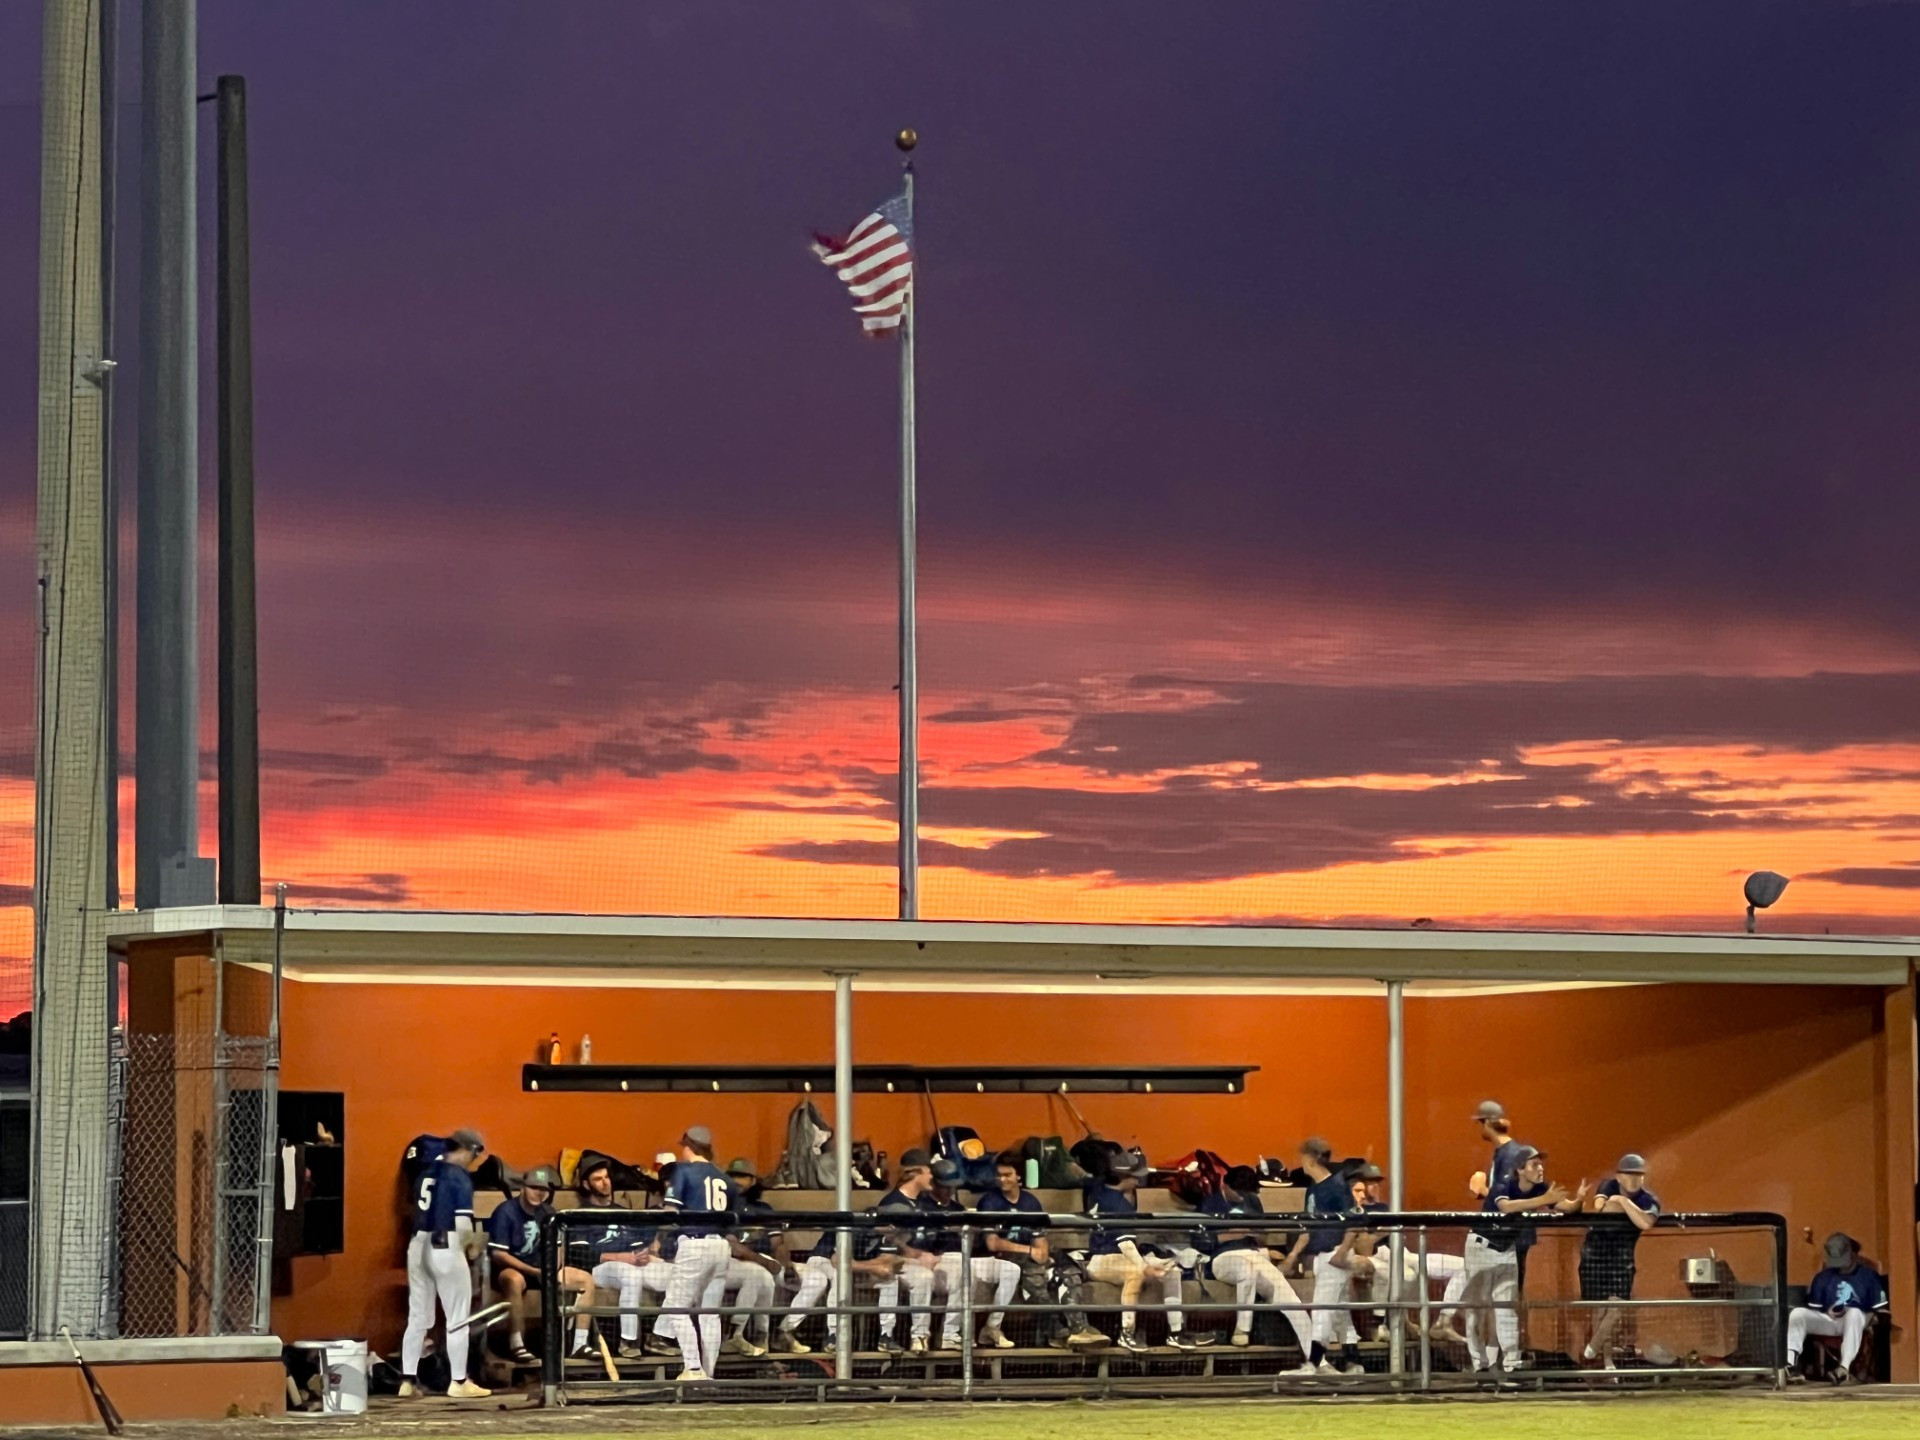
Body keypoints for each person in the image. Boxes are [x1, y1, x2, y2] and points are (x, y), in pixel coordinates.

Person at [1463, 1145, 1586, 1378]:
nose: (1540, 1168)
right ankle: (1480, 1367)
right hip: (1481, 1246)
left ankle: (1511, 1367)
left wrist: (1578, 1199)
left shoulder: (1540, 1188)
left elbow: (1567, 1207)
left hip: (1507, 1249)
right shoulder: (1503, 1183)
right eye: (1534, 1164)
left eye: (1541, 1164)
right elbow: (1505, 1207)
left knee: (1508, 1308)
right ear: (1520, 1169)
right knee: (1477, 1309)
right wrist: (1543, 1199)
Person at [978, 1153, 1108, 1350]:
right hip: (1004, 1257)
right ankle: (1057, 1332)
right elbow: (993, 1243)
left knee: (1068, 1270)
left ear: (1019, 1176)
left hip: (1029, 1253)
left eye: (1007, 1175)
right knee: (1036, 1277)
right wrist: (1031, 1251)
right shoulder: (989, 1202)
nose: (1002, 1179)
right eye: (999, 1175)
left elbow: (1040, 1238)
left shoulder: (1030, 1202)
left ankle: (1080, 1328)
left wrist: (1043, 1254)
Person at [400, 1127, 491, 1399]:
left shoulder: (423, 1174)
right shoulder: (459, 1177)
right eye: (474, 1154)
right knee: (457, 1319)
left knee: (417, 1317)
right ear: (465, 1149)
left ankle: (407, 1381)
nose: (473, 1160)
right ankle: (459, 1381)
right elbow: (463, 1225)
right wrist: (473, 1248)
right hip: (446, 1246)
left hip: (417, 1246)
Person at [1197, 1164, 1314, 1369]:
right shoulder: (1210, 1203)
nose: (1243, 1197)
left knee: (1287, 1293)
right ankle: (1241, 1331)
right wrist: (1238, 1232)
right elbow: (1201, 1242)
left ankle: (1315, 1359)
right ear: (1226, 1185)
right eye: (1239, 1192)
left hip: (1254, 1253)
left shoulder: (1253, 1200)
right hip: (1221, 1258)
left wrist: (1253, 1234)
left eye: (1246, 1193)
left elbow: (1262, 1236)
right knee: (1246, 1271)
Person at [1085, 1154, 1202, 1352]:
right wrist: (1145, 1266)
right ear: (1122, 1178)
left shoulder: (1098, 1187)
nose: (1138, 1180)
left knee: (1173, 1272)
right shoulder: (1116, 1204)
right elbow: (1126, 1245)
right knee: (1136, 1272)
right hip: (1101, 1259)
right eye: (1134, 1176)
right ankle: (1126, 1333)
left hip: (1121, 1257)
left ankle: (1175, 1332)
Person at [652, 1126, 736, 1383]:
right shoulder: (726, 1178)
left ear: (688, 1146)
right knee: (710, 1313)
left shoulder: (683, 1171)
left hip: (695, 1243)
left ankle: (694, 1369)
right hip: (721, 1246)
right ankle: (709, 1373)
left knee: (676, 1307)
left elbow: (670, 1211)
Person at [486, 1165, 592, 1365]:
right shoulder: (506, 1211)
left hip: (544, 1270)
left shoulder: (548, 1212)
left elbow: (559, 1246)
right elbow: (499, 1254)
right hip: (515, 1268)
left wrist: (552, 1269)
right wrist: (533, 1271)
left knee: (585, 1279)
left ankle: (579, 1344)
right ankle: (517, 1344)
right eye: (534, 1187)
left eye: (544, 1189)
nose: (539, 1193)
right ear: (523, 1187)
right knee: (513, 1279)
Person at [579, 1155, 675, 1359]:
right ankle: (628, 1341)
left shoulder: (622, 1212)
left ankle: (658, 1336)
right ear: (586, 1185)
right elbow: (579, 1254)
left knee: (679, 1275)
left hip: (632, 1262)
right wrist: (622, 1257)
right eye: (598, 1179)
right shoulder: (580, 1215)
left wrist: (644, 1252)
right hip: (601, 1268)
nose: (605, 1183)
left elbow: (641, 1239)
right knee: (630, 1274)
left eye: (607, 1177)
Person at [1283, 1137, 1364, 1376]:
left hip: (1333, 1255)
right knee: (1339, 1311)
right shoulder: (1313, 1189)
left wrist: (1341, 1253)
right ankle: (1354, 1363)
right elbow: (1309, 1228)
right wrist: (1293, 1256)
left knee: (1323, 1309)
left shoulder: (1337, 1185)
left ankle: (1314, 1364)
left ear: (1310, 1159)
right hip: (1321, 1255)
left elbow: (1354, 1222)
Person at [922, 1157, 1022, 1350]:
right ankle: (949, 1333)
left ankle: (992, 1327)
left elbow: (977, 1243)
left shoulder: (958, 1209)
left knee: (1011, 1270)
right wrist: (946, 1229)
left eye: (952, 1187)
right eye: (945, 1186)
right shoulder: (924, 1207)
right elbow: (924, 1242)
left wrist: (974, 1231)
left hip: (967, 1258)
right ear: (934, 1183)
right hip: (940, 1260)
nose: (950, 1191)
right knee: (963, 1270)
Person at [772, 1217, 903, 1354]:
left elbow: (889, 1261)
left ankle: (886, 1336)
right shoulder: (857, 1229)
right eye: (890, 1226)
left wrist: (871, 1266)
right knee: (840, 1276)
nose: (894, 1230)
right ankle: (833, 1336)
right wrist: (872, 1268)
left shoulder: (888, 1236)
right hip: (822, 1261)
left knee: (890, 1278)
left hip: (852, 1267)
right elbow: (837, 1260)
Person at [1578, 1154, 1660, 1368]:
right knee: (1599, 1309)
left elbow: (1646, 1223)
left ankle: (1592, 1349)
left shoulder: (1649, 1198)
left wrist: (1622, 1201)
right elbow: (1600, 1208)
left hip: (1622, 1256)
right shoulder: (1607, 1185)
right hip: (1595, 1254)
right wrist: (1629, 1211)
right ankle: (1605, 1362)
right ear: (1619, 1176)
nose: (1634, 1179)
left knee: (1617, 1308)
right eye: (1629, 1174)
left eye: (1639, 1175)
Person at [1787, 1233, 1888, 1384]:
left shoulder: (1869, 1276)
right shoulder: (1823, 1277)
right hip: (1829, 1321)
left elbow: (1882, 1311)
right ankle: (1791, 1365)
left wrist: (1868, 1317)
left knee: (1854, 1313)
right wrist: (1828, 1311)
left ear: (1853, 1253)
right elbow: (1815, 1309)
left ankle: (1843, 1369)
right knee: (1797, 1313)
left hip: (1855, 1321)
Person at [872, 1148, 942, 1354]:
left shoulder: (922, 1203)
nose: (933, 1177)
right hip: (888, 1261)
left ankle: (942, 1336)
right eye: (929, 1171)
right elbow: (888, 1242)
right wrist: (918, 1255)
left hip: (914, 1261)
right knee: (921, 1277)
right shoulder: (892, 1203)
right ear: (916, 1172)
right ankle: (913, 1336)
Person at [718, 1157, 783, 1360]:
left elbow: (779, 1244)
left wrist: (786, 1265)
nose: (737, 1181)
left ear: (753, 1181)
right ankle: (744, 1334)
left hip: (760, 1259)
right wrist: (764, 1262)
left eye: (742, 1177)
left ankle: (767, 1335)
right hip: (727, 1261)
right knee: (759, 1274)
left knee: (806, 1278)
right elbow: (733, 1247)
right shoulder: (721, 1207)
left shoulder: (764, 1208)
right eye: (733, 1176)